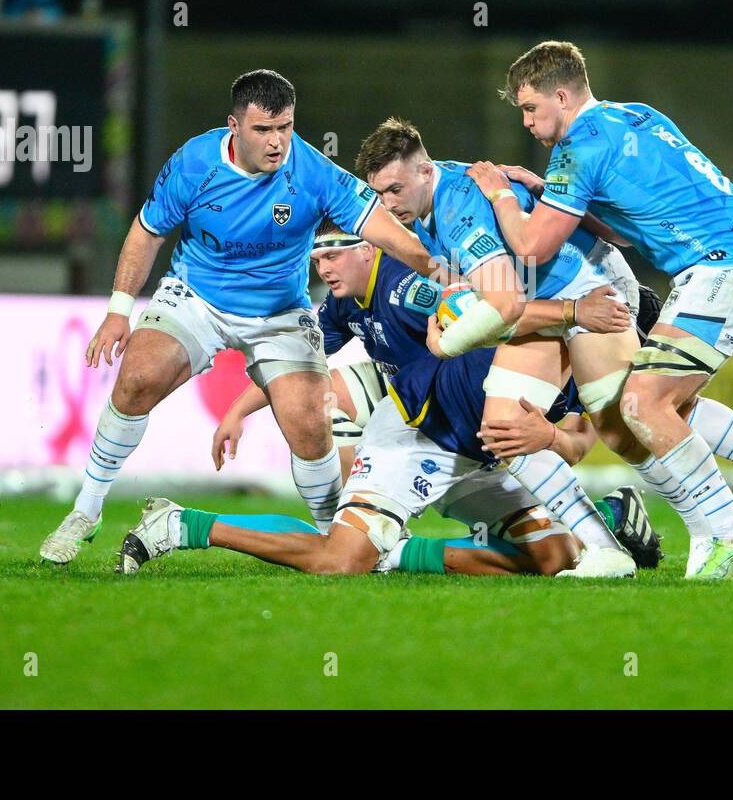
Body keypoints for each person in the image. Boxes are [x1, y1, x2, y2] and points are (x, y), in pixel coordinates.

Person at [467, 42, 733, 578]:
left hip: (725, 269)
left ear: (562, 96)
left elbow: (530, 249)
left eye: (530, 108)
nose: (525, 121)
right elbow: (626, 231)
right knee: (655, 401)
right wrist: (549, 192)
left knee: (641, 401)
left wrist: (501, 192)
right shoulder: (637, 117)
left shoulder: (577, 151)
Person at [39, 70, 436, 564]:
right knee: (137, 378)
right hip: (196, 297)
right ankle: (87, 509)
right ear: (233, 126)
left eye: (285, 127)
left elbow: (381, 227)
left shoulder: (312, 172)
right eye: (262, 130)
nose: (277, 142)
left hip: (279, 311)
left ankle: (339, 541)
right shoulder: (194, 163)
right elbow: (147, 232)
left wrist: (434, 264)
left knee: (310, 425)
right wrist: (119, 311)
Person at [117, 228, 660, 577]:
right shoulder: (411, 295)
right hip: (418, 426)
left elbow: (576, 446)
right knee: (339, 557)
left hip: (484, 444)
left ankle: (396, 553)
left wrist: (550, 437)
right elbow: (496, 314)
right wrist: (240, 409)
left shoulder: (607, 375)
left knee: (555, 558)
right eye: (318, 256)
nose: (323, 268)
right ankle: (184, 524)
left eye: (332, 254)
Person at [355, 119, 651, 578]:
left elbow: (509, 304)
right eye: (380, 195)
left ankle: (731, 528)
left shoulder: (457, 208)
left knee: (637, 425)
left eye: (395, 189)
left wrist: (447, 343)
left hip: (597, 293)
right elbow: (506, 304)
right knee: (506, 429)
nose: (389, 206)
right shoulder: (434, 203)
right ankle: (608, 548)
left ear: (425, 171)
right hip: (562, 300)